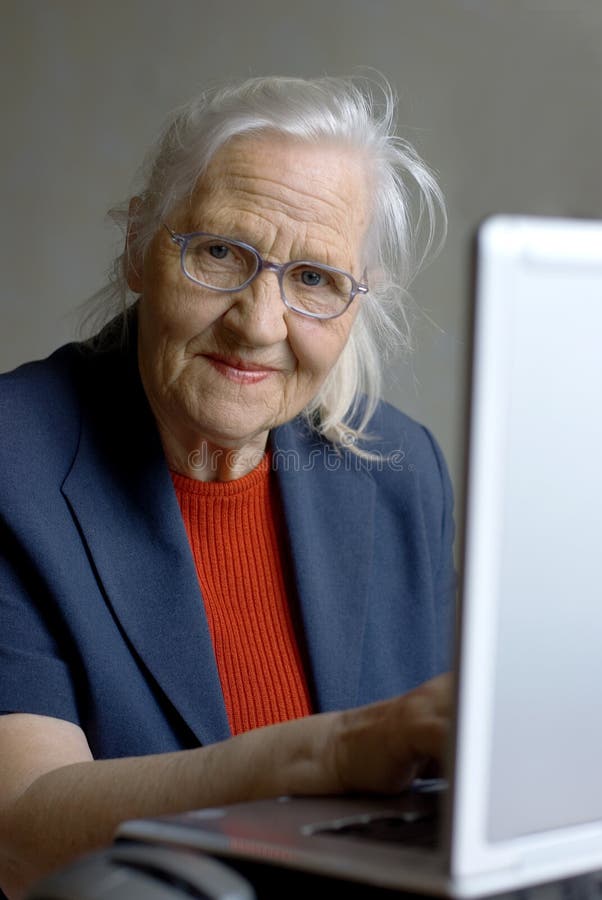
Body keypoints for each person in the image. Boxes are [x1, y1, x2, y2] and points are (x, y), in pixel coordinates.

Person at [0, 74, 455, 899]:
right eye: (219, 253)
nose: (258, 322)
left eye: (315, 279)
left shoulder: (402, 470)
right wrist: (335, 752)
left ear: (360, 302)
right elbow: (24, 830)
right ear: (141, 242)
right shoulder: (10, 460)